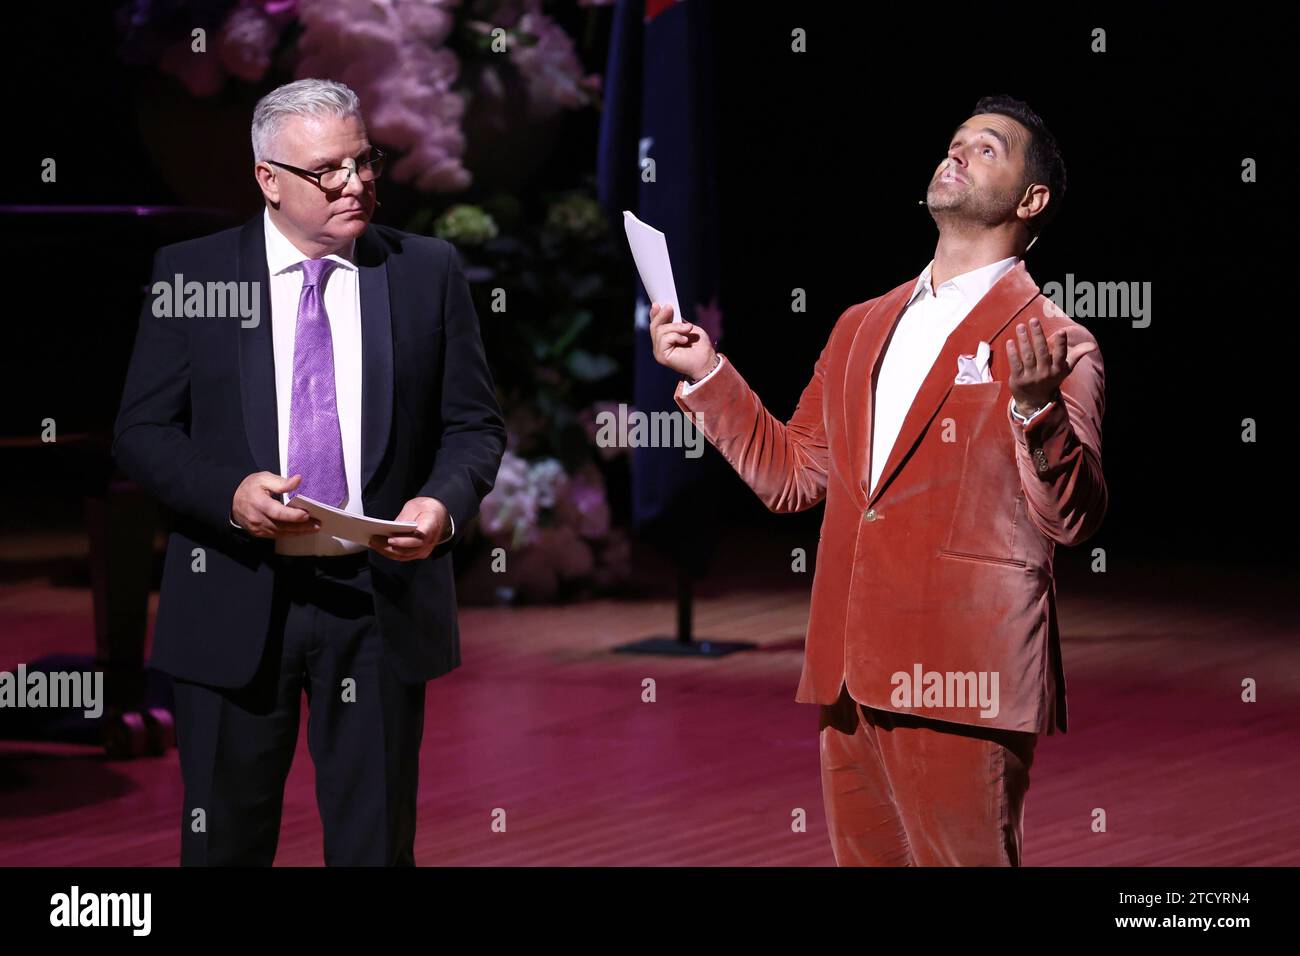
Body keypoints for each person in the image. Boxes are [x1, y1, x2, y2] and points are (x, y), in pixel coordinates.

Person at [649, 94, 1106, 866]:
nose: (957, 153)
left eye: (986, 149)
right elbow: (793, 476)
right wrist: (707, 375)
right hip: (848, 673)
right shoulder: (861, 323)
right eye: (954, 142)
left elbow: (1074, 518)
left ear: (1032, 200)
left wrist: (1037, 410)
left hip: (963, 677)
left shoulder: (1057, 342)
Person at [113, 78, 506, 865]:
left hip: (376, 601)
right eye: (327, 170)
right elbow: (142, 433)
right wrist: (230, 495)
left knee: (375, 847)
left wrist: (441, 504)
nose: (354, 183)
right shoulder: (195, 275)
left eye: (363, 162)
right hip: (234, 593)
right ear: (269, 179)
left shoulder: (424, 271)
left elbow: (473, 426)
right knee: (225, 845)